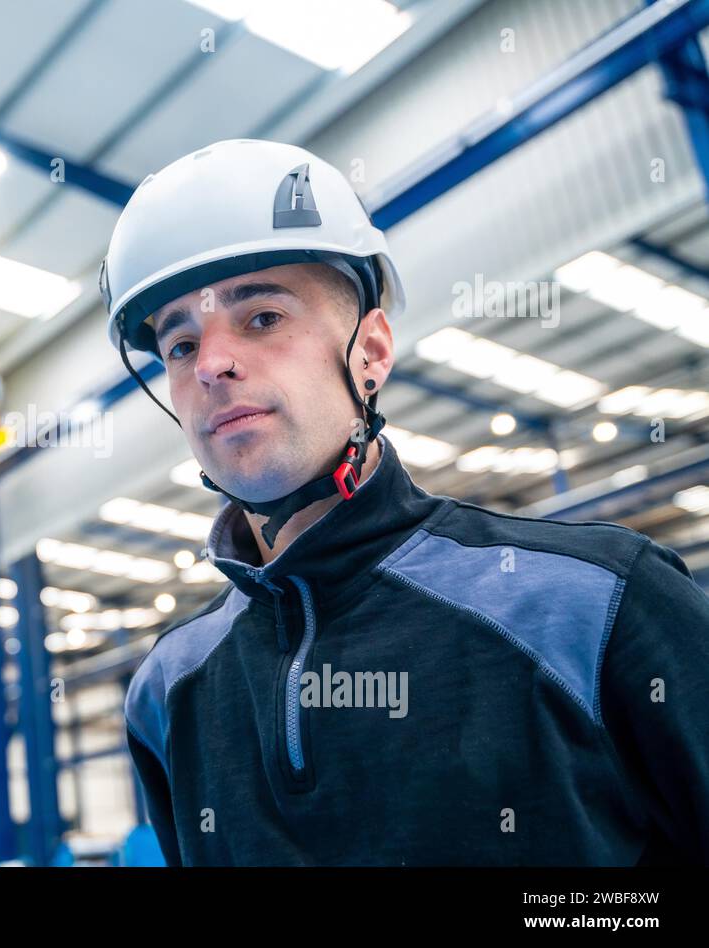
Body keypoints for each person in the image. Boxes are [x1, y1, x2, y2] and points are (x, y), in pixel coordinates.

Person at [101, 139, 709, 865]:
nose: (210, 364)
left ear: (372, 352)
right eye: (178, 345)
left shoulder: (598, 605)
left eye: (262, 317)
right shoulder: (166, 691)